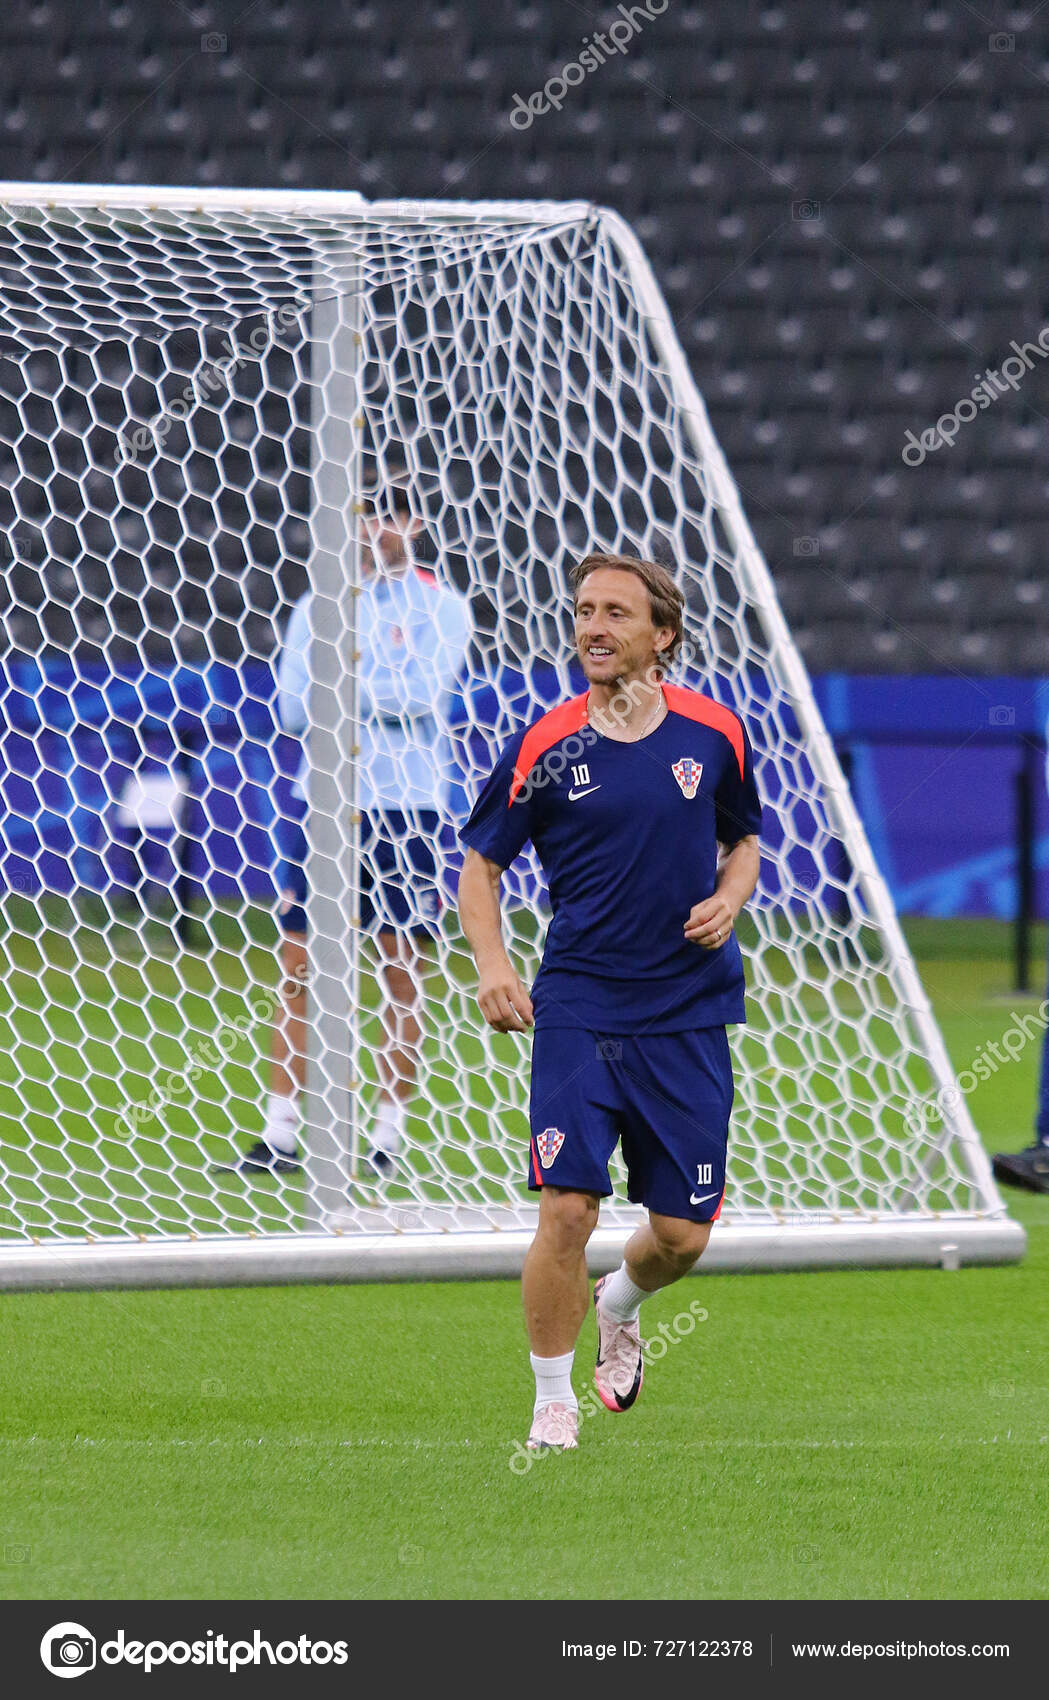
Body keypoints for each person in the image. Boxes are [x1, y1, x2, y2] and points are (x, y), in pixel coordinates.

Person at [457, 551, 762, 1452]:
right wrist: (492, 966)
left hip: (687, 1012)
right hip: (579, 1006)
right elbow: (481, 864)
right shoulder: (544, 745)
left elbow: (742, 839)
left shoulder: (714, 733)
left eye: (615, 614)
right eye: (584, 610)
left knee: (680, 1236)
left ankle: (619, 1301)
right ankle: (552, 1398)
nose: (593, 626)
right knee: (567, 1209)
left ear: (660, 636)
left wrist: (730, 895)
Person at [229, 467, 472, 1178]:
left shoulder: (442, 606)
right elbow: (290, 709)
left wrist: (337, 678)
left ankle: (386, 1136)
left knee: (399, 968)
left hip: (407, 804)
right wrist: (356, 685)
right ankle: (279, 1135)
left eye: (392, 514)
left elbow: (423, 696)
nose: (377, 527)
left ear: (417, 525)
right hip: (327, 800)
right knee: (298, 966)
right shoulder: (317, 604)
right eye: (367, 514)